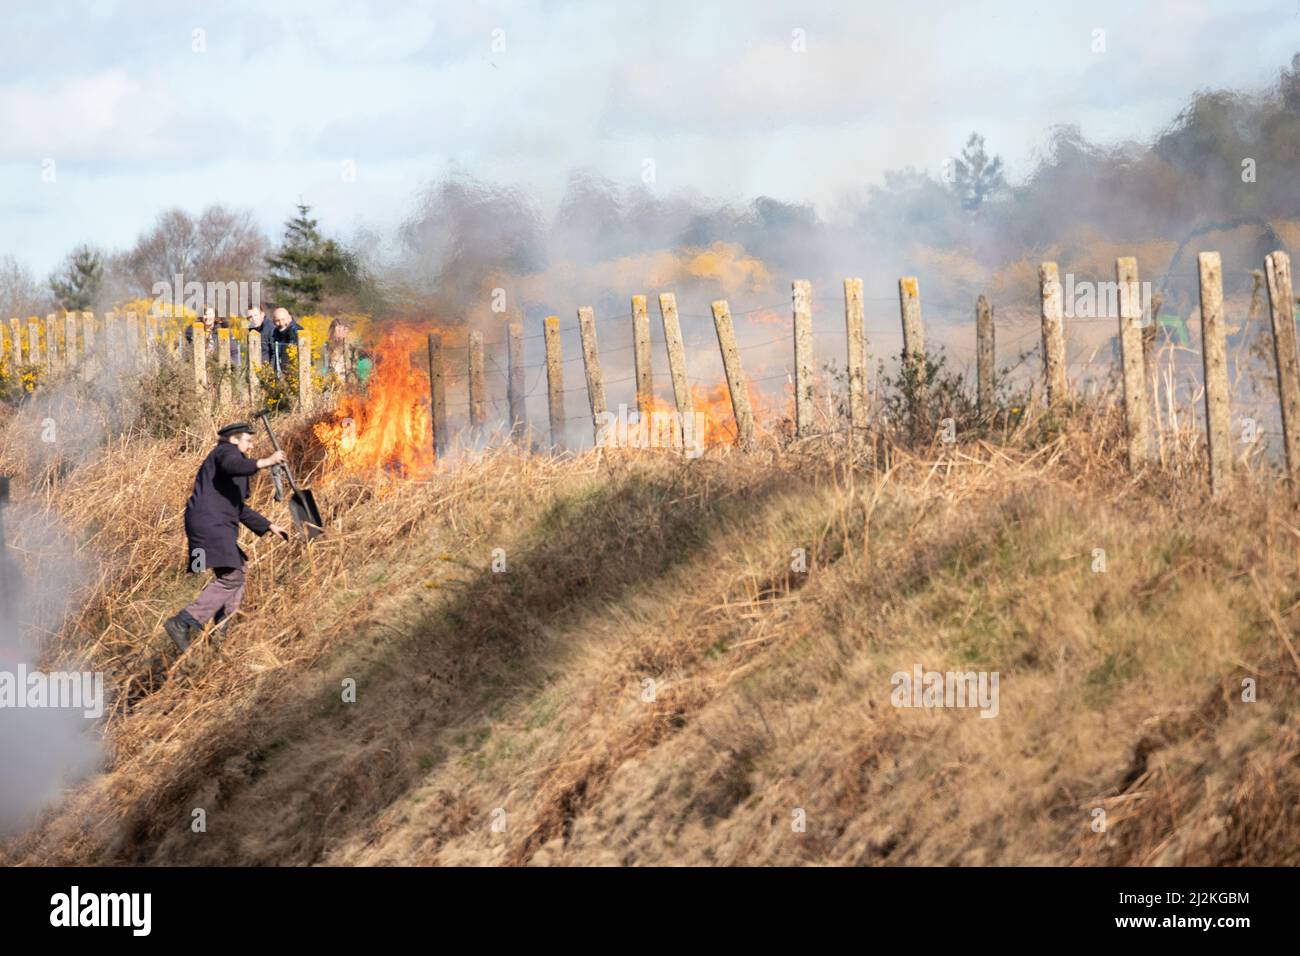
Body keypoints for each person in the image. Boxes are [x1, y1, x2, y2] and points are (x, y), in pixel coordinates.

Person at [164, 422, 289, 652]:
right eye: (248, 441)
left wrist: (270, 526)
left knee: (239, 571)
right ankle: (182, 622)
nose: (251, 447)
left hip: (214, 523)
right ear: (234, 440)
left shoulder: (236, 470)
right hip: (210, 523)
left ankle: (219, 633)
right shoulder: (225, 452)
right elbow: (233, 464)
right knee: (232, 577)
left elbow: (238, 507)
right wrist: (266, 462)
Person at [267, 307, 302, 374]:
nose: (281, 323)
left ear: (289, 318)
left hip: (295, 373)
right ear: (273, 321)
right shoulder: (276, 332)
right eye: (277, 321)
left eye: (283, 319)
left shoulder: (297, 332)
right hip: (282, 373)